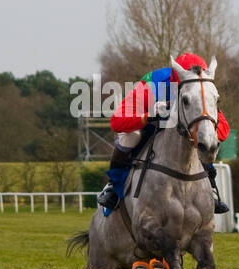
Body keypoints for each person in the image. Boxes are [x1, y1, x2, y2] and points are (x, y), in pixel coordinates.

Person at [95, 53, 230, 215]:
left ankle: (210, 188)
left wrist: (205, 130)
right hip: (148, 128)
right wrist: (149, 115)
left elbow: (224, 130)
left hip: (180, 135)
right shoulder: (152, 83)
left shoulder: (203, 90)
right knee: (131, 136)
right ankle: (113, 186)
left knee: (202, 137)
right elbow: (117, 122)